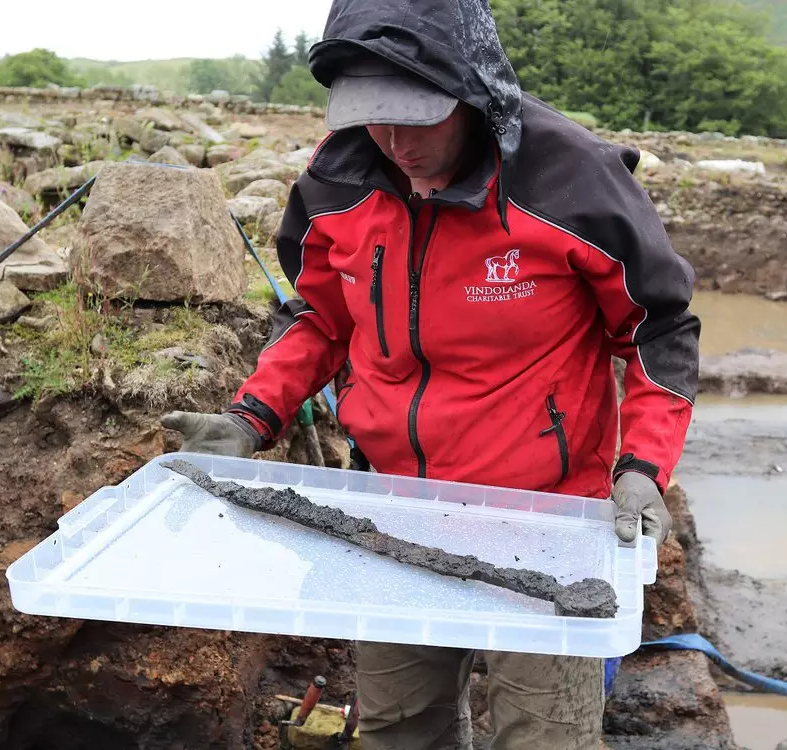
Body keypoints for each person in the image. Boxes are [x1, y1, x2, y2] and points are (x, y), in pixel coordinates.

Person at [161, 0, 700, 747]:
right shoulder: (339, 180)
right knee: (395, 729)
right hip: (391, 510)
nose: (394, 143)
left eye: (417, 118)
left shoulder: (569, 180)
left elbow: (659, 327)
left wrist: (643, 466)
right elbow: (322, 316)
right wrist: (250, 416)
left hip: (545, 518)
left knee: (543, 737)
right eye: (372, 117)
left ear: (474, 94)